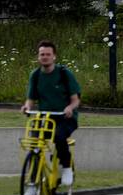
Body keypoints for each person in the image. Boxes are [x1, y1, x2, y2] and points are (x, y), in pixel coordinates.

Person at [20, 40, 81, 186]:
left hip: (65, 118)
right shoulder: (35, 75)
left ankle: (66, 168)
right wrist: (26, 107)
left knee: (59, 136)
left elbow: (75, 100)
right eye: (42, 54)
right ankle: (33, 184)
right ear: (38, 57)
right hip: (44, 117)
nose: (45, 57)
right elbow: (31, 99)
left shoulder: (64, 74)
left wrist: (69, 108)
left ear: (54, 56)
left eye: (48, 54)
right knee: (34, 144)